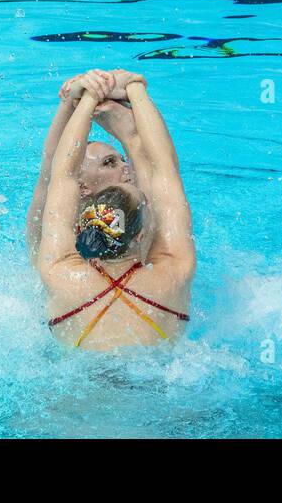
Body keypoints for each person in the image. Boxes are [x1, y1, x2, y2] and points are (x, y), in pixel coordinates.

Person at [28, 69, 195, 350]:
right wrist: (135, 88)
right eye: (109, 163)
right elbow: (163, 172)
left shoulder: (59, 271)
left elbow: (60, 174)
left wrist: (85, 100)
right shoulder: (173, 271)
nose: (128, 171)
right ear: (140, 234)